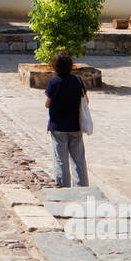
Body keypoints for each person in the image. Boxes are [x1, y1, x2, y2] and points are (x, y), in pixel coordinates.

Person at [44, 49, 88, 187]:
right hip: (75, 126)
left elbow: (47, 104)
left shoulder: (54, 82)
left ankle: (63, 188)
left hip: (58, 127)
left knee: (61, 160)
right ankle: (82, 187)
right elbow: (86, 100)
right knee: (78, 159)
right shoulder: (77, 80)